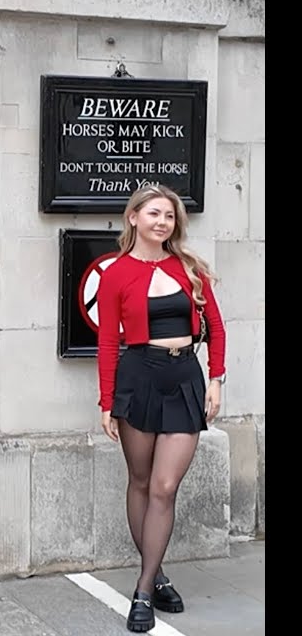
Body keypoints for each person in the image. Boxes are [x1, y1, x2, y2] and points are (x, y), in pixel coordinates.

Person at [95, 183, 226, 633]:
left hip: (184, 377)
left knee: (165, 487)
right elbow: (108, 342)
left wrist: (216, 380)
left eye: (169, 216)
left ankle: (145, 589)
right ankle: (159, 573)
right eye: (153, 214)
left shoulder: (188, 268)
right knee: (141, 480)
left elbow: (217, 329)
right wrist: (106, 402)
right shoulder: (116, 273)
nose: (162, 222)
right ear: (134, 218)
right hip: (138, 377)